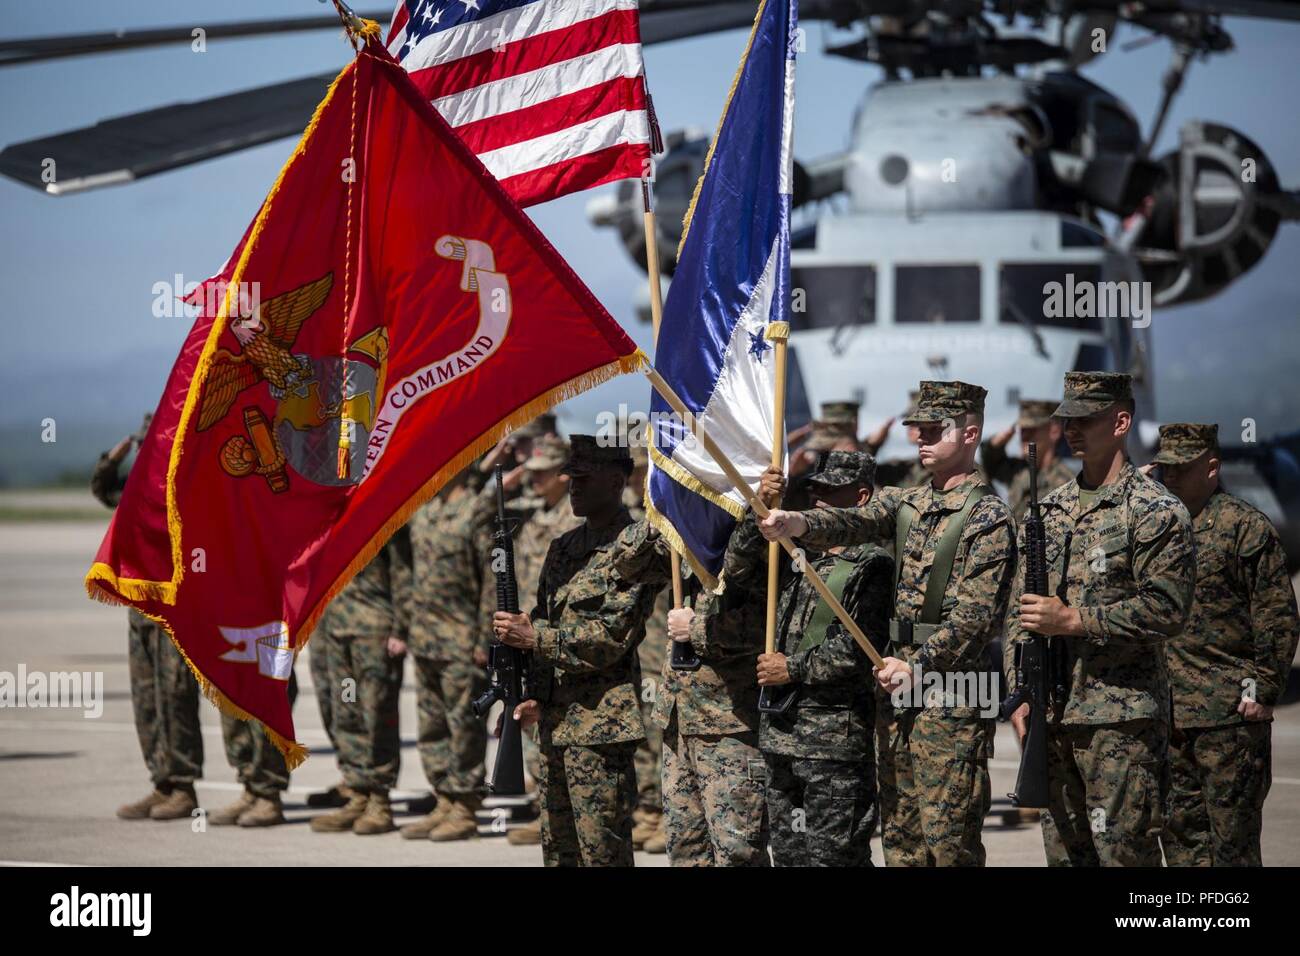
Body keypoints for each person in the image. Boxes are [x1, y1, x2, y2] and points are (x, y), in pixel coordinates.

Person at [760, 380, 1016, 866]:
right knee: (902, 841)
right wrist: (798, 524)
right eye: (917, 429)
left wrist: (917, 667)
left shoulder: (987, 516)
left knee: (949, 841)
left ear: (970, 434)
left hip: (951, 696)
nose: (920, 438)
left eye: (933, 430)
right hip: (896, 692)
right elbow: (851, 520)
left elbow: (975, 619)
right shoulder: (907, 503)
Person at [1003, 372, 1196, 866]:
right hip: (1052, 715)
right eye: (1067, 418)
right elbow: (1017, 613)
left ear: (1121, 421)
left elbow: (1167, 609)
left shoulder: (1154, 510)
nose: (1071, 428)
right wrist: (1019, 690)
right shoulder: (1049, 510)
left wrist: (1074, 620)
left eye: (1085, 418)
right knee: (1065, 856)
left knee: (1123, 856)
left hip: (1120, 719)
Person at [492, 436, 656, 866]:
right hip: (555, 722)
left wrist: (535, 638)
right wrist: (532, 694)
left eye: (585, 478)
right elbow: (546, 623)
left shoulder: (635, 546)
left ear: (618, 480)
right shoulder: (562, 547)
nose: (574, 487)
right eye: (572, 478)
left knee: (602, 853)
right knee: (560, 851)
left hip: (600, 727)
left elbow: (611, 639)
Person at [1149, 423, 1300, 866]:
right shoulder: (1155, 529)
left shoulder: (1244, 528)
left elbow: (1276, 615)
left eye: (1181, 469)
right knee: (1179, 842)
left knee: (1232, 843)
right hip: (1169, 716)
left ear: (1211, 469)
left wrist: (1265, 689)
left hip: (1228, 719)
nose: (1170, 478)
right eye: (1165, 469)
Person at [750, 452, 893, 866]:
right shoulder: (797, 556)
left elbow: (859, 648)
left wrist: (790, 668)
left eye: (832, 493)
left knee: (835, 858)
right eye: (816, 491)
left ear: (862, 497)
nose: (819, 501)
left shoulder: (872, 564)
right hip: (782, 735)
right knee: (790, 858)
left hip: (833, 744)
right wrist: (763, 499)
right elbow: (738, 564)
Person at [94, 420, 206, 823]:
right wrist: (113, 459)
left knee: (175, 694)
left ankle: (182, 784)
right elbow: (104, 491)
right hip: (139, 604)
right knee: (147, 697)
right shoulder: (140, 486)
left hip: (172, 605)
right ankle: (161, 781)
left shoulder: (183, 481)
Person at [403, 466, 492, 842]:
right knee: (432, 724)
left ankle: (465, 806)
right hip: (426, 637)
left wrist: (486, 637)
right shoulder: (424, 509)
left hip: (461, 639)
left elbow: (492, 578)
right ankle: (443, 796)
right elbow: (410, 570)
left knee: (464, 725)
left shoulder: (476, 511)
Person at [310, 528, 413, 836]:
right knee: (348, 711)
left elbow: (403, 573)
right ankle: (358, 792)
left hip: (374, 633)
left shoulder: (381, 512)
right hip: (338, 631)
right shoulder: (331, 512)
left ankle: (380, 801)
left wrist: (401, 628)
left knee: (376, 714)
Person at [623, 441, 668, 854]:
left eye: (641, 472)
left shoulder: (669, 524)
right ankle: (644, 810)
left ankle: (659, 811)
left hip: (660, 650)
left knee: (658, 735)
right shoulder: (631, 524)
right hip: (635, 652)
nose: (635, 480)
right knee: (640, 735)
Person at [980, 398, 1074, 521]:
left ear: (1054, 431)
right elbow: (990, 465)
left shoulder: (1066, 483)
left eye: (1032, 429)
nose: (1024, 436)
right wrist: (995, 443)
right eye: (1022, 429)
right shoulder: (1019, 471)